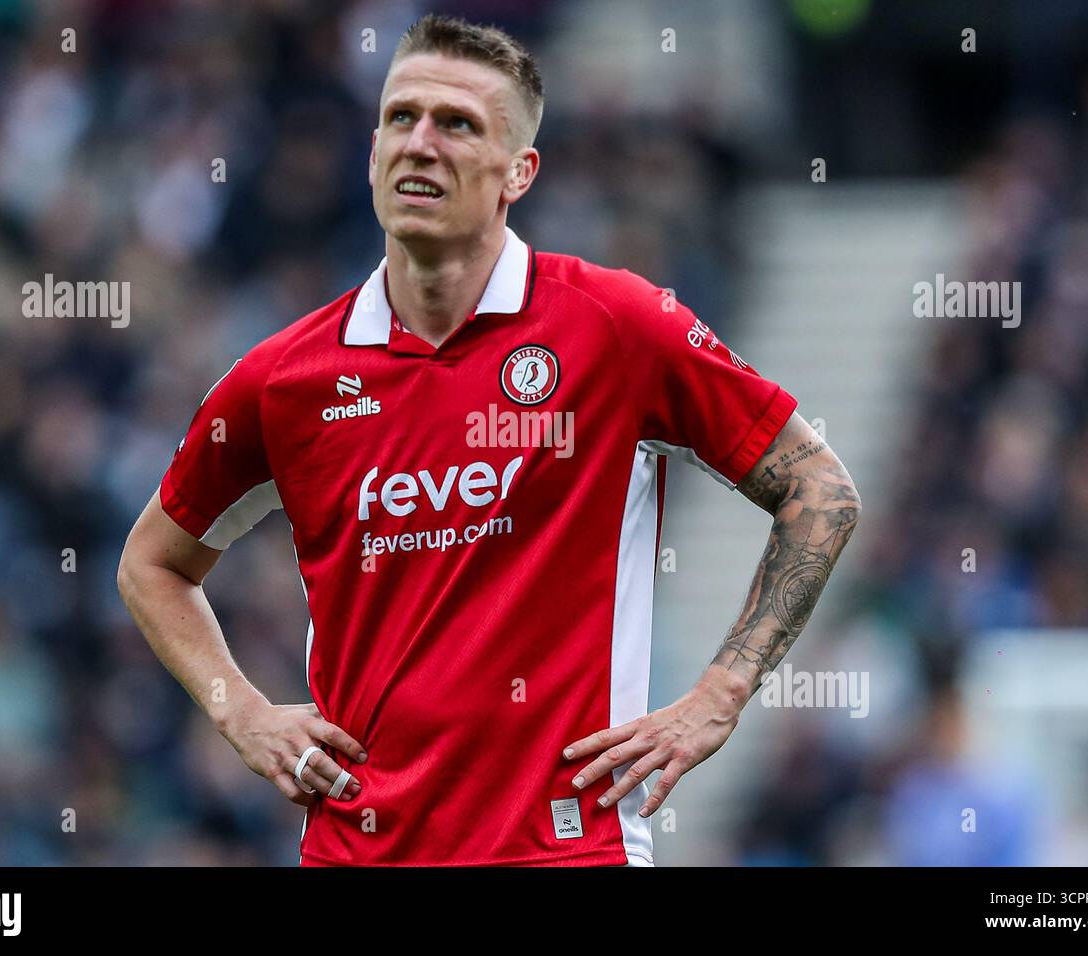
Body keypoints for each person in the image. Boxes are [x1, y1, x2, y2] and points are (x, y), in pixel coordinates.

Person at [117, 13, 862, 867]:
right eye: (401, 117)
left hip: (565, 850)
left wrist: (719, 696)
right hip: (358, 850)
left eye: (458, 124)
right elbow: (152, 563)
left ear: (520, 172)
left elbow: (821, 492)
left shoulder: (615, 326)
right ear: (371, 154)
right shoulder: (286, 379)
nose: (420, 144)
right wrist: (238, 708)